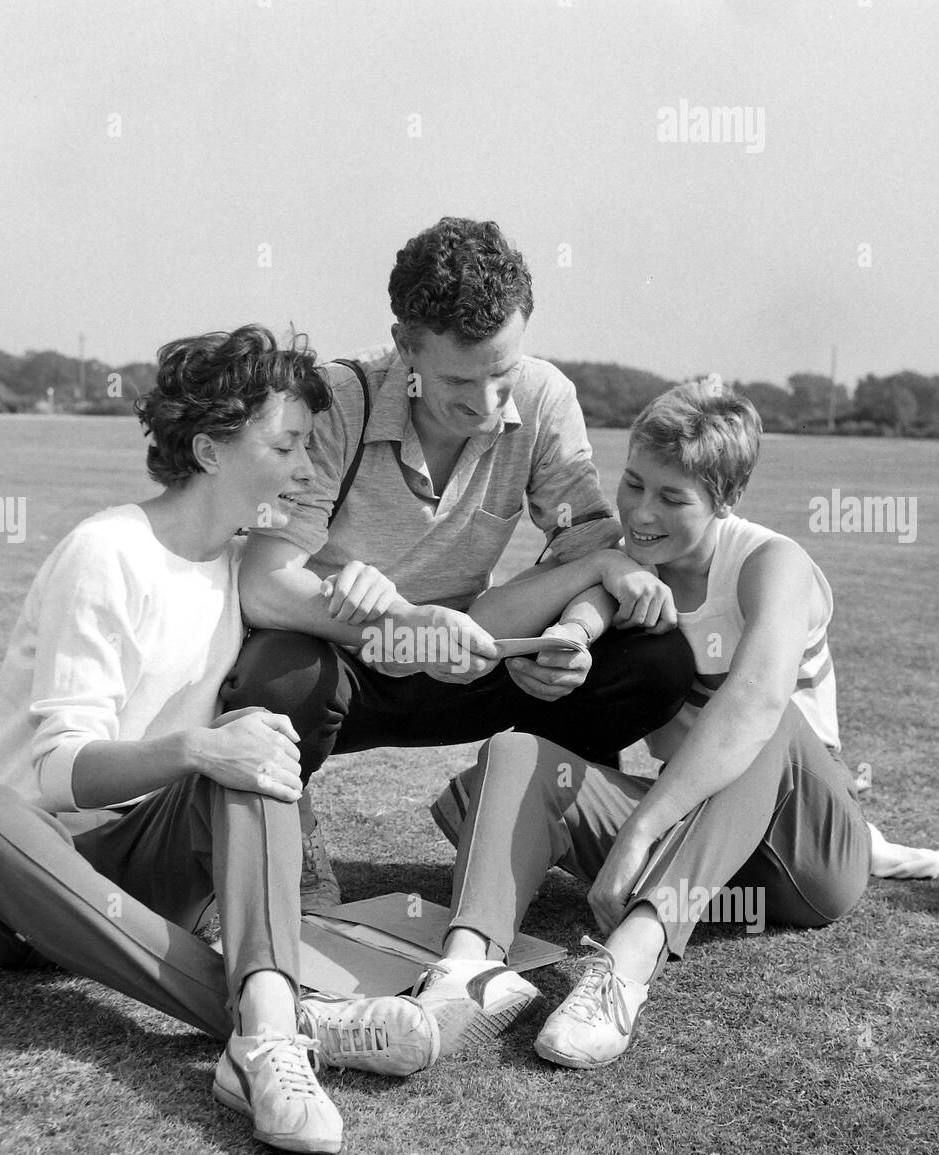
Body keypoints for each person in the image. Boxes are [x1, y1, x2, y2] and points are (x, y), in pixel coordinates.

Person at [0, 327, 459, 1155]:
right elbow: (59, 768)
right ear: (211, 449)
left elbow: (377, 639)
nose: (306, 468)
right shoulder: (107, 551)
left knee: (259, 745)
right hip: (30, 872)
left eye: (307, 446)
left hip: (147, 872)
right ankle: (288, 1018)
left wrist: (386, 601)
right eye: (286, 445)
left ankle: (266, 1034)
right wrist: (196, 748)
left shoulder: (242, 568)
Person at [223, 217, 696, 918]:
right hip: (349, 657)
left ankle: (527, 814)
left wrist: (571, 636)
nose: (486, 403)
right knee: (273, 678)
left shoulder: (545, 396)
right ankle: (288, 836)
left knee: (654, 658)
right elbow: (264, 584)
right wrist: (405, 627)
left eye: (503, 373)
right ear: (404, 344)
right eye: (457, 381)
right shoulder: (334, 401)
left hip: (475, 656)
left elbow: (591, 552)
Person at [417, 380, 873, 1064]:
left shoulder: (771, 563)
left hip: (808, 852)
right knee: (515, 754)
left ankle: (626, 965)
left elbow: (755, 702)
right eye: (632, 483)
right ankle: (466, 970)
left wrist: (641, 830)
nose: (640, 511)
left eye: (672, 497)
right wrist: (588, 592)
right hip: (701, 859)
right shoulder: (630, 561)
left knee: (764, 714)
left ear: (726, 499)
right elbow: (485, 625)